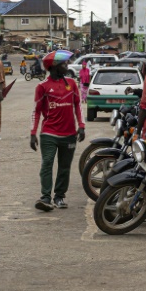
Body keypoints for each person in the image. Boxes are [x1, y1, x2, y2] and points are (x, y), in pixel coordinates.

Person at [29, 50, 85, 211]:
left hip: (69, 134)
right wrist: (33, 133)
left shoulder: (72, 84)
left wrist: (81, 126)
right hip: (49, 133)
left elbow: (78, 106)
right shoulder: (42, 87)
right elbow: (36, 111)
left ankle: (59, 197)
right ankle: (45, 197)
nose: (66, 65)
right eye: (63, 63)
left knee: (64, 167)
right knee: (47, 163)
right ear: (53, 67)